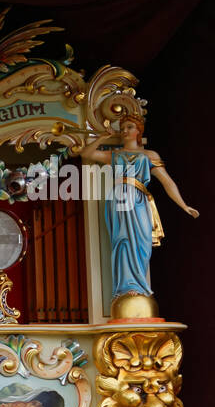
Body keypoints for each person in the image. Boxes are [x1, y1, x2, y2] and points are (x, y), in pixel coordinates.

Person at [79, 114, 198, 308]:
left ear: (138, 131)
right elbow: (87, 154)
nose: (125, 131)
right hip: (118, 200)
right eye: (123, 128)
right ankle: (127, 288)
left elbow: (167, 181)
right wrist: (102, 137)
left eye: (129, 127)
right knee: (122, 240)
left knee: (141, 243)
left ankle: (140, 285)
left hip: (140, 200)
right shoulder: (114, 156)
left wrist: (183, 205)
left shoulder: (150, 155)